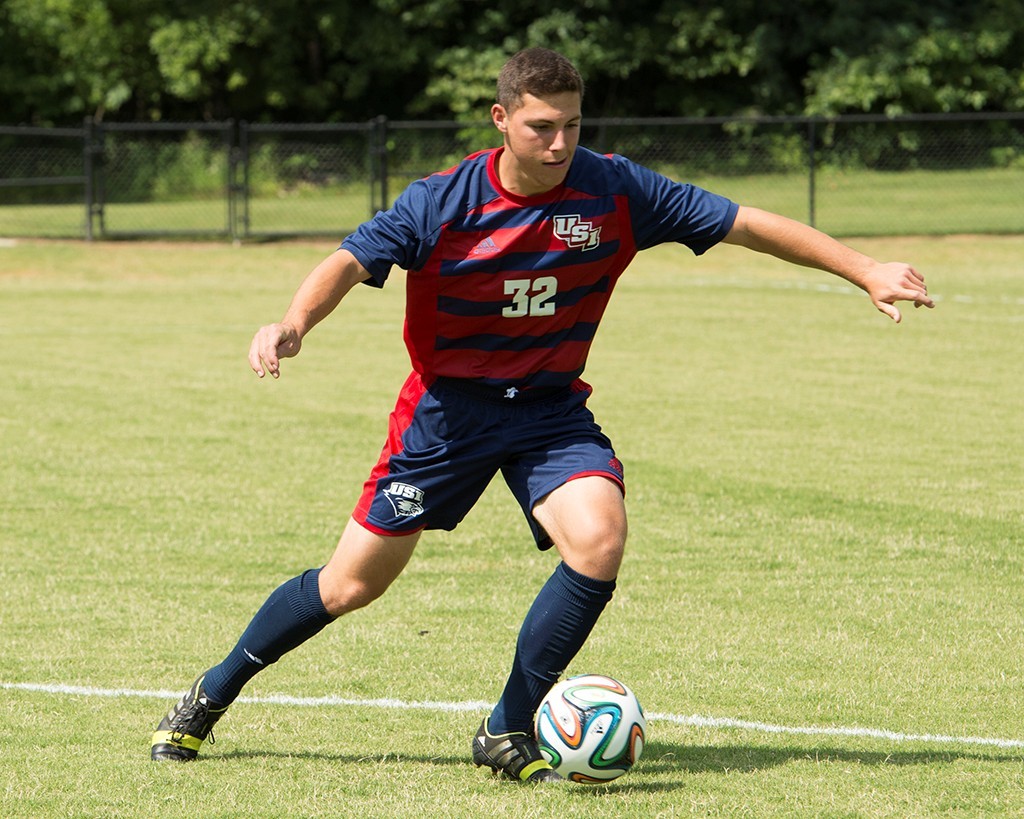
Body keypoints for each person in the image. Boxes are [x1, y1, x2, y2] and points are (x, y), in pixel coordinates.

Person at [150, 47, 933, 782]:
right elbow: (350, 261)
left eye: (572, 125)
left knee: (599, 537)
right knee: (351, 584)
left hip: (550, 411)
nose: (560, 143)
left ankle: (508, 723)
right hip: (446, 416)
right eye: (541, 126)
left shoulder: (614, 189)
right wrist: (292, 323)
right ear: (500, 120)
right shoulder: (442, 201)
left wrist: (863, 268)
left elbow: (743, 222)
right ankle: (212, 692)